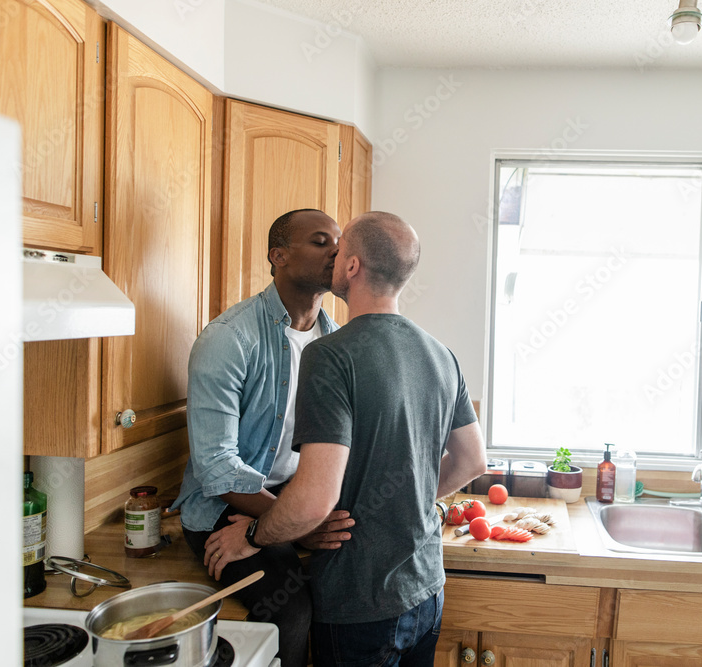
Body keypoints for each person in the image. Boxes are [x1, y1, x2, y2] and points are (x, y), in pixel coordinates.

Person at [203, 211, 488, 666]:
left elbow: (316, 499)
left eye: (340, 249)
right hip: (427, 590)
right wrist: (408, 499)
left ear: (352, 268)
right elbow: (473, 461)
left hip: (361, 605)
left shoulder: (331, 355)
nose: (333, 255)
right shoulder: (441, 354)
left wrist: (254, 535)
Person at [171, 208, 355, 667]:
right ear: (278, 256)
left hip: (297, 495)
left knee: (352, 586)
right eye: (319, 241)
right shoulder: (229, 338)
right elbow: (216, 468)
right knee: (288, 612)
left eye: (339, 240)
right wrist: (297, 526)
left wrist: (299, 519)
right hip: (224, 506)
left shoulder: (338, 342)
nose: (336, 250)